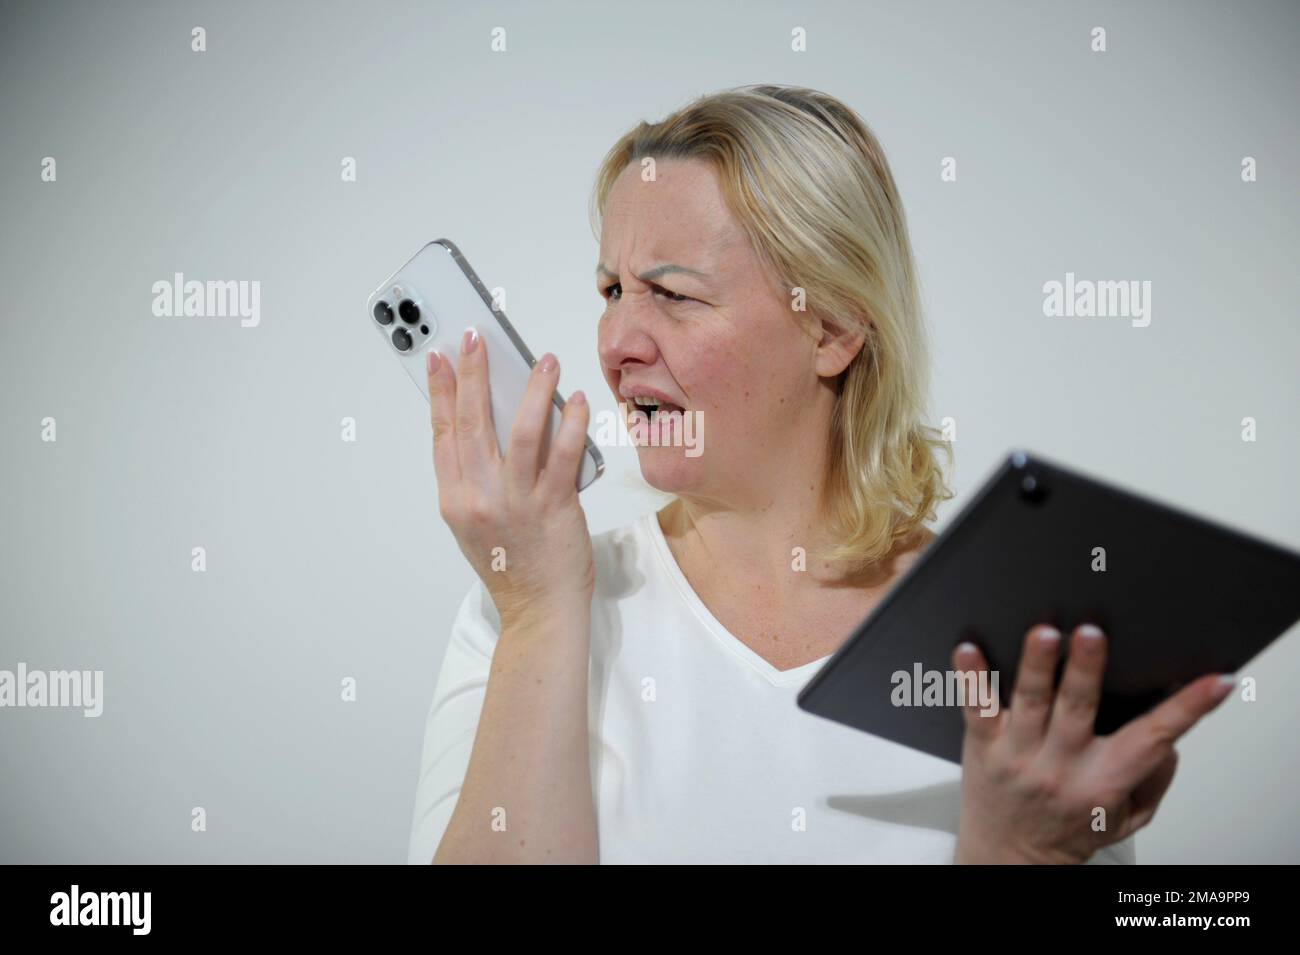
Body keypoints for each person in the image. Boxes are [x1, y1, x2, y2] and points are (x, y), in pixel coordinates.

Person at [405, 84, 1232, 864]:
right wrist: (540, 610)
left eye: (672, 294)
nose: (617, 339)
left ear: (833, 327)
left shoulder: (1015, 645)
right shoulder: (528, 608)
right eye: (611, 288)